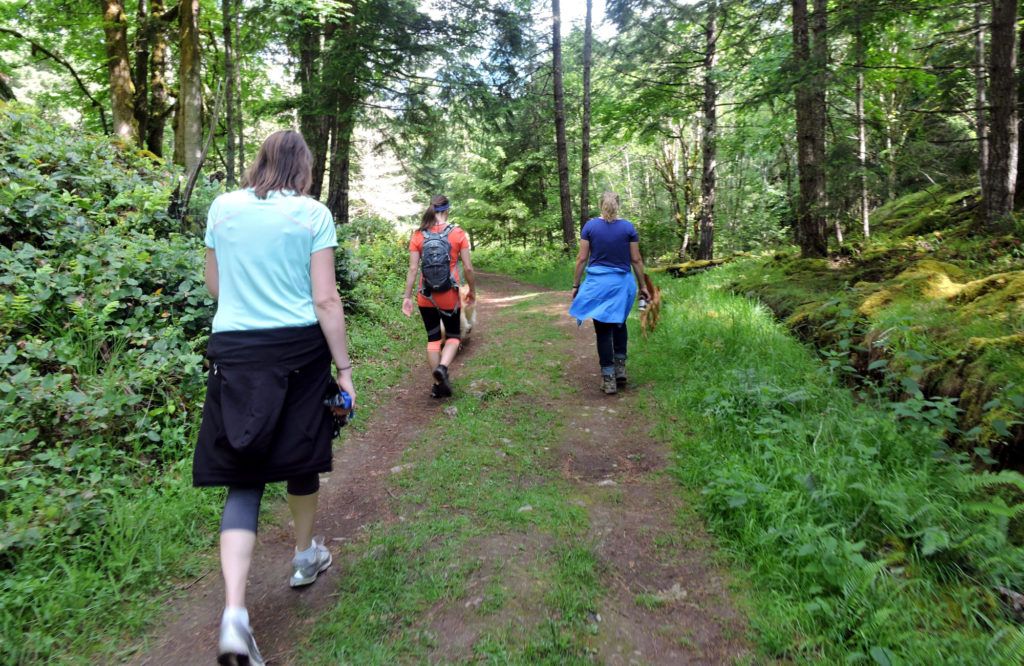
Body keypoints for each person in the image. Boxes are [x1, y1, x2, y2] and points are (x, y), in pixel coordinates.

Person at [193, 129, 356, 666]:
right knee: (299, 455)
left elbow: (215, 285)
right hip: (298, 352)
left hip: (235, 353)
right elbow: (326, 299)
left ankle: (235, 616)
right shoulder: (312, 214)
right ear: (304, 167)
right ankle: (305, 556)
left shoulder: (222, 206)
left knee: (243, 477)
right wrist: (346, 369)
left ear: (260, 161)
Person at [569, 191, 651, 395]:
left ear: (600, 205)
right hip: (621, 285)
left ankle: (609, 379)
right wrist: (643, 286)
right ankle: (620, 369)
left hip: (597, 285)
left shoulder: (590, 227)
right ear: (618, 205)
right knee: (619, 323)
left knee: (603, 331)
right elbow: (636, 260)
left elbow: (581, 259)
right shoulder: (628, 228)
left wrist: (576, 285)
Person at [401, 194, 476, 398]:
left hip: (425, 296)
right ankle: (442, 368)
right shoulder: (458, 233)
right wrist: (472, 291)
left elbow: (413, 269)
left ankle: (438, 384)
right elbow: (468, 268)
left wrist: (406, 297)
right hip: (449, 295)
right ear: (447, 210)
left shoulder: (418, 235)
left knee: (433, 338)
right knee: (453, 336)